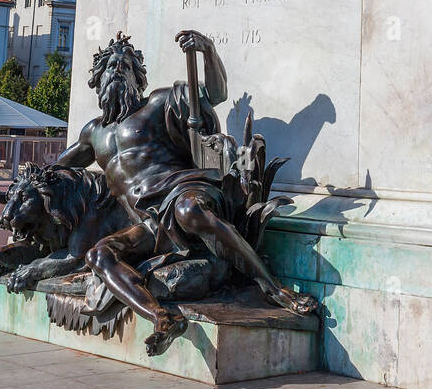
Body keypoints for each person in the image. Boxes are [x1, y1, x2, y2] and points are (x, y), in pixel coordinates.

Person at [57, 29, 316, 355]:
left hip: (184, 190)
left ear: (138, 76)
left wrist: (207, 50)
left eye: (124, 67)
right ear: (97, 79)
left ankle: (275, 288)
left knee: (189, 212)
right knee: (99, 255)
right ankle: (162, 317)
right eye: (110, 69)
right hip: (149, 220)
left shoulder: (158, 104)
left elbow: (216, 93)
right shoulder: (93, 133)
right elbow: (60, 169)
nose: (116, 74)